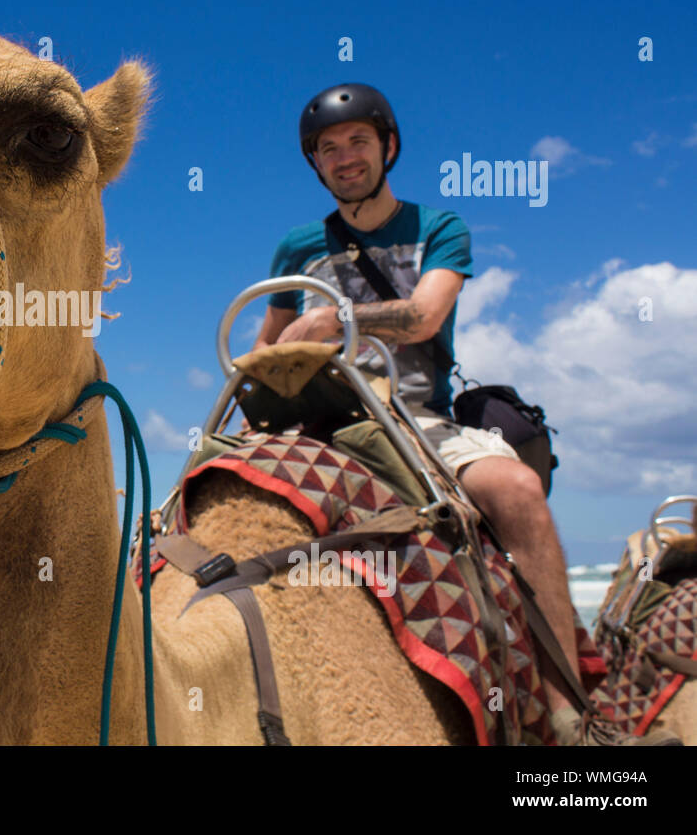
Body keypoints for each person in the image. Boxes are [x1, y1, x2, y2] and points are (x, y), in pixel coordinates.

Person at [249, 82, 678, 746]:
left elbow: (424, 317)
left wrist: (336, 319)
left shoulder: (439, 229)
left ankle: (568, 718)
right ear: (316, 163)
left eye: (358, 141)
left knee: (515, 489)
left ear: (388, 146)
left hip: (417, 423)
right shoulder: (296, 248)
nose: (345, 157)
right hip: (318, 424)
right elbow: (261, 355)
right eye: (328, 149)